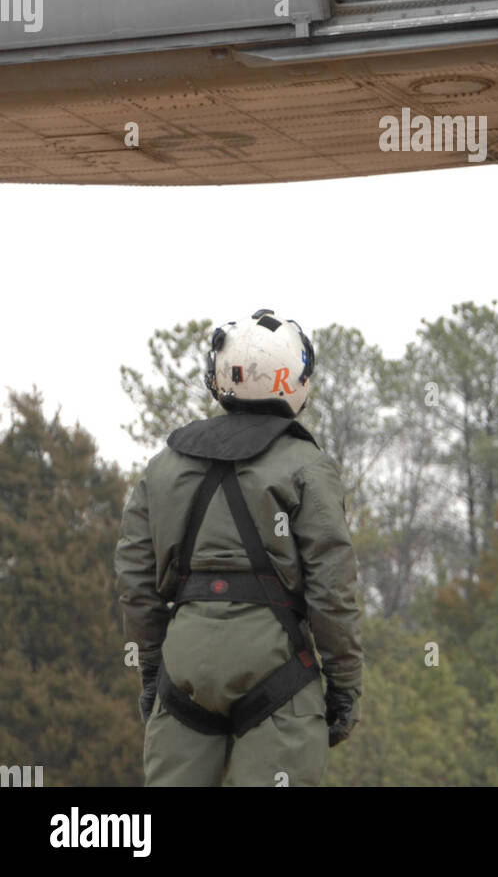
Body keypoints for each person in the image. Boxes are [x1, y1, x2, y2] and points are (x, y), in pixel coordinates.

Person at [115, 309, 363, 787]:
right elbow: (333, 592)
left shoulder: (162, 467)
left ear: (220, 377)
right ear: (295, 380)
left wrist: (153, 675)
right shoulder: (307, 467)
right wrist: (346, 690)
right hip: (278, 669)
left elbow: (135, 583)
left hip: (183, 665)